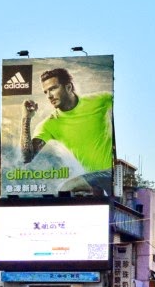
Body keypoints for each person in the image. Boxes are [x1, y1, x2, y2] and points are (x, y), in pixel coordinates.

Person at [20, 67, 115, 195]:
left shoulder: (99, 100)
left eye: (53, 88)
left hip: (111, 173)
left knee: (66, 187)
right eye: (46, 92)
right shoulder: (49, 124)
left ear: (68, 87)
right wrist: (26, 119)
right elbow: (26, 158)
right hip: (95, 183)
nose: (49, 96)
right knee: (77, 196)